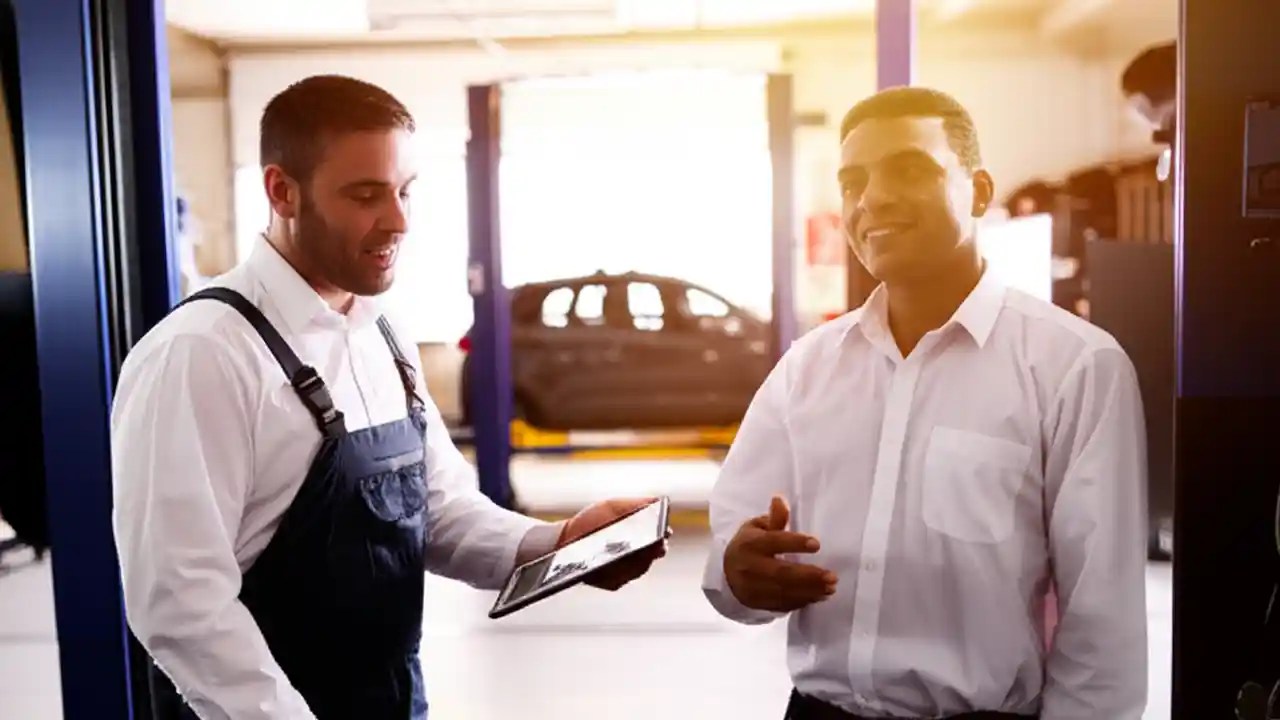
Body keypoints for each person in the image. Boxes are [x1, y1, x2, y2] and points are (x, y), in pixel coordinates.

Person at [110, 74, 665, 720]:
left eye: (405, 192)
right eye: (366, 194)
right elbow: (180, 602)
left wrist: (559, 544)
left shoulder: (381, 332)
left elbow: (439, 510)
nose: (398, 220)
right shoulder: (202, 354)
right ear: (281, 191)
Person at [702, 87, 1149, 719]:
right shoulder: (807, 369)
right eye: (852, 181)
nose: (872, 199)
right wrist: (739, 574)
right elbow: (732, 556)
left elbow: (1104, 623)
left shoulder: (1073, 366)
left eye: (909, 170)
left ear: (981, 191)